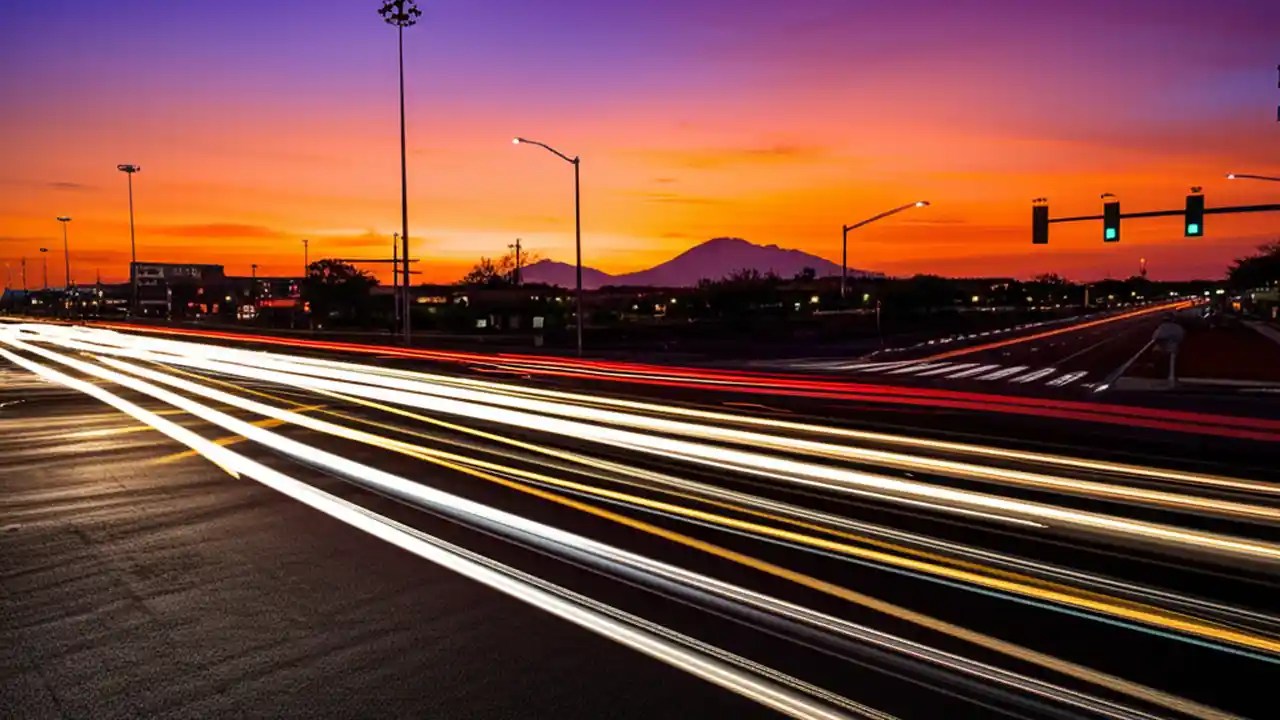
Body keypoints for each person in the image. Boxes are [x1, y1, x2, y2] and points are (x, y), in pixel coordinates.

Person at [1151, 313, 1185, 388]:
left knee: (1163, 364)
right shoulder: (1177, 327)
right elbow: (1181, 337)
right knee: (1171, 365)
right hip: (1170, 350)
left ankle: (1163, 378)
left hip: (1164, 350)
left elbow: (1155, 337)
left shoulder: (1162, 327)